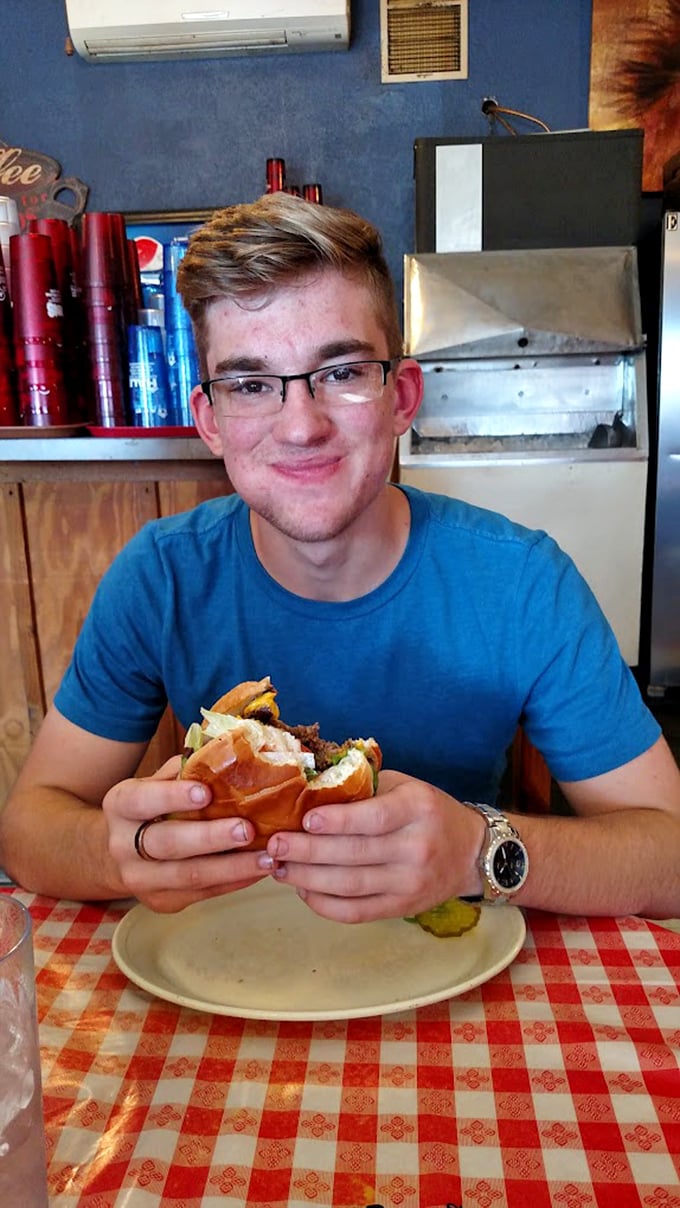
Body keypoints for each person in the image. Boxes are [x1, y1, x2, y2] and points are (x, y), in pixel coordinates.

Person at [1, 193, 679, 920]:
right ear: (210, 422)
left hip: (445, 973)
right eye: (252, 385)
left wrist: (476, 850)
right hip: (217, 974)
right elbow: (28, 828)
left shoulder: (522, 582)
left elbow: (668, 858)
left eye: (343, 372)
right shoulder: (160, 577)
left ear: (402, 396)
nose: (301, 426)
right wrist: (124, 855)